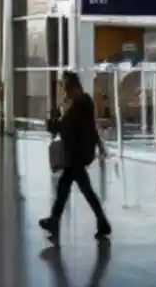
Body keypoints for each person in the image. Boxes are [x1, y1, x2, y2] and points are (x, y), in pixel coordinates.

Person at [39, 71, 111, 241]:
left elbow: (66, 126)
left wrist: (52, 123)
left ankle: (101, 222)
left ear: (73, 87)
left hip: (76, 154)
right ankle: (56, 220)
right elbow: (88, 127)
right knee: (66, 187)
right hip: (77, 152)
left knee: (82, 189)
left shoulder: (80, 104)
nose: (65, 91)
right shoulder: (83, 102)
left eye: (66, 87)